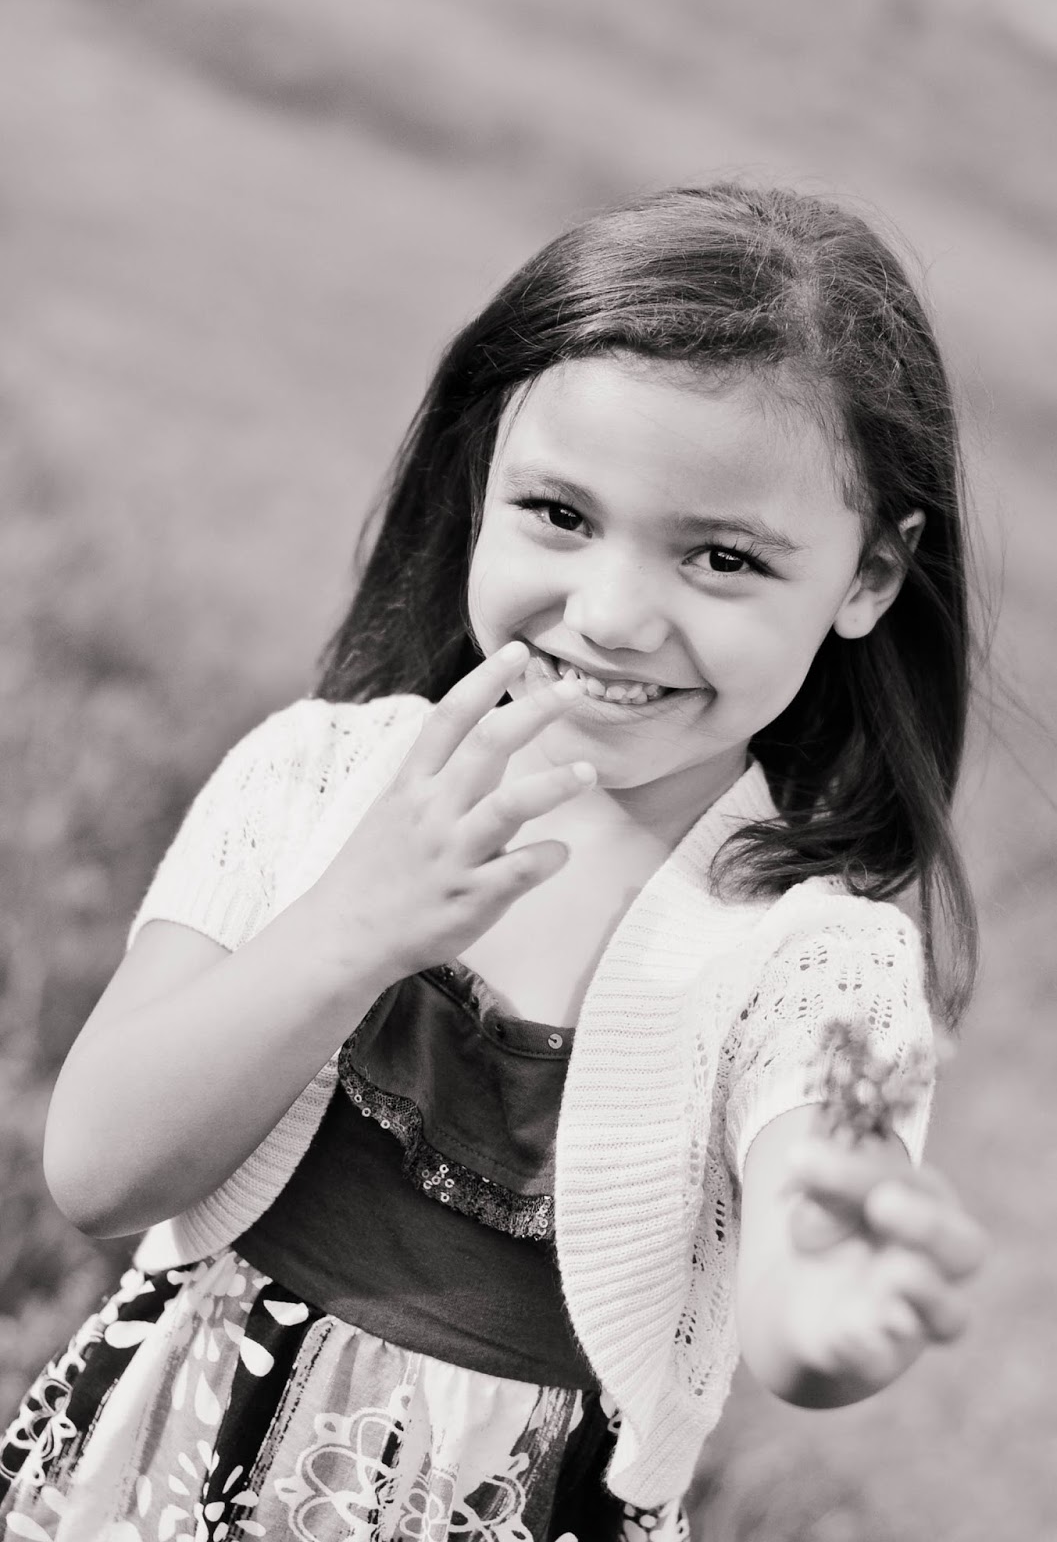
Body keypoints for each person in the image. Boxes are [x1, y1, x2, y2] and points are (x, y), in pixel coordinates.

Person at [1, 182, 986, 1541]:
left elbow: (807, 1275)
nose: (613, 613)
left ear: (868, 577)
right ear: (482, 479)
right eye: (560, 515)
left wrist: (836, 1307)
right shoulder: (315, 779)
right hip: (164, 1475)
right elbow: (101, 1170)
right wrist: (349, 932)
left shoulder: (819, 960)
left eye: (721, 557)